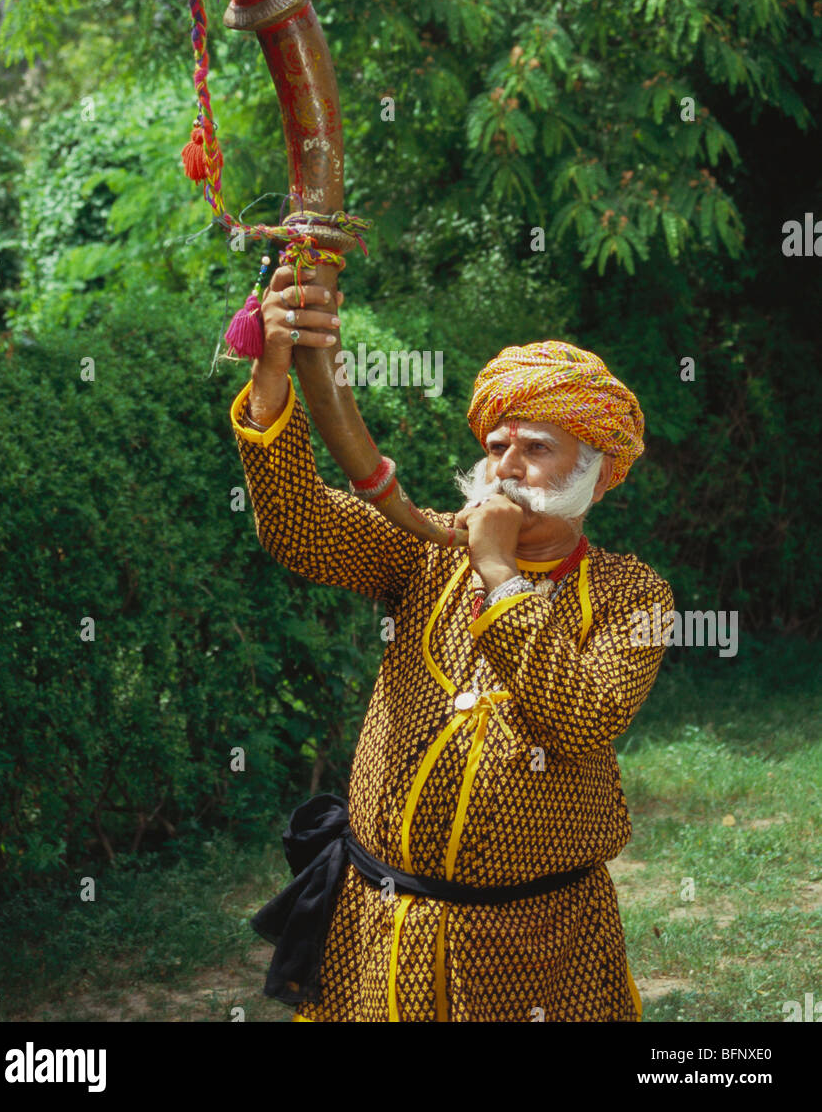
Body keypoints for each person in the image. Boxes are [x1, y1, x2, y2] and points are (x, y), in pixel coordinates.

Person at [230, 263, 674, 1022]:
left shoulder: (637, 596)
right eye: (496, 444)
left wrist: (498, 572)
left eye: (535, 447)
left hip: (536, 945)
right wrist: (275, 375)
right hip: (380, 928)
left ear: (597, 479)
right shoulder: (426, 549)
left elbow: (582, 718)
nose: (504, 467)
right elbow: (297, 527)